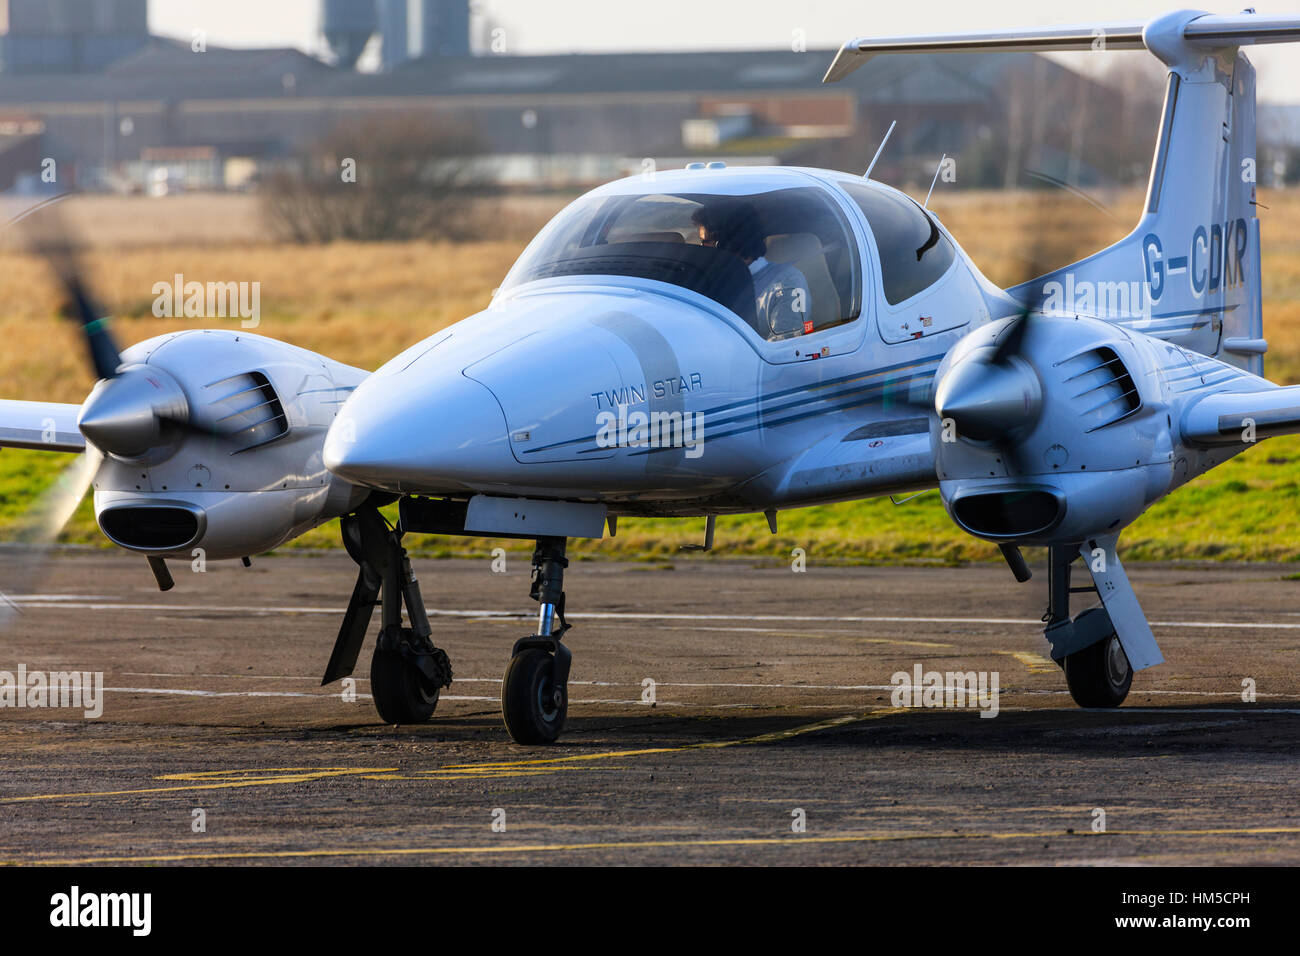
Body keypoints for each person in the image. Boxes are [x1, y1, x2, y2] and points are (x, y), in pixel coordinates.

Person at [692, 202, 811, 339]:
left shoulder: (788, 283)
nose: (701, 249)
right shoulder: (709, 282)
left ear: (728, 243)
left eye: (705, 243)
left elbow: (784, 347)